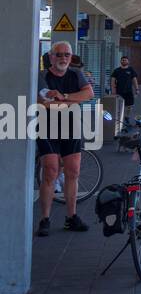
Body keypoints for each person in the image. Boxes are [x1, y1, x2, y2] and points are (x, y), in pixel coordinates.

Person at [35, 42, 95, 236]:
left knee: (73, 171)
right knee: (50, 171)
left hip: (71, 127)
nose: (63, 58)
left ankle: (71, 217)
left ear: (71, 57)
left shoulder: (75, 74)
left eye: (67, 55)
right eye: (59, 54)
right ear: (51, 57)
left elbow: (89, 94)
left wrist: (64, 96)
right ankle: (45, 219)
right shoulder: (42, 76)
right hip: (47, 127)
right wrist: (70, 101)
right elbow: (46, 104)